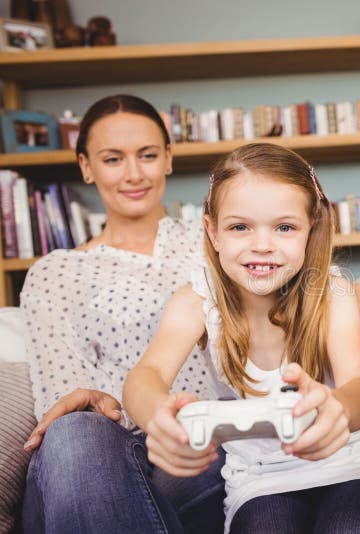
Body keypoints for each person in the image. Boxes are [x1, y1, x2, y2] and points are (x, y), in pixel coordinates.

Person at [123, 143, 360, 533]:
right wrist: (157, 416)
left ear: (310, 230)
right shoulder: (197, 300)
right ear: (213, 232)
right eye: (240, 227)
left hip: (351, 462)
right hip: (260, 478)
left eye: (284, 227)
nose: (262, 244)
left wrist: (336, 410)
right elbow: (145, 375)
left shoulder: (331, 292)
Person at [20, 94, 226, 534]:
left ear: (168, 158)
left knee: (214, 446)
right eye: (113, 159)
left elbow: (306, 295)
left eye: (148, 155)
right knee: (76, 432)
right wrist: (122, 408)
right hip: (95, 455)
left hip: (200, 450)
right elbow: (66, 400)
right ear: (86, 167)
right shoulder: (54, 273)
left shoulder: (219, 242)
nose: (134, 174)